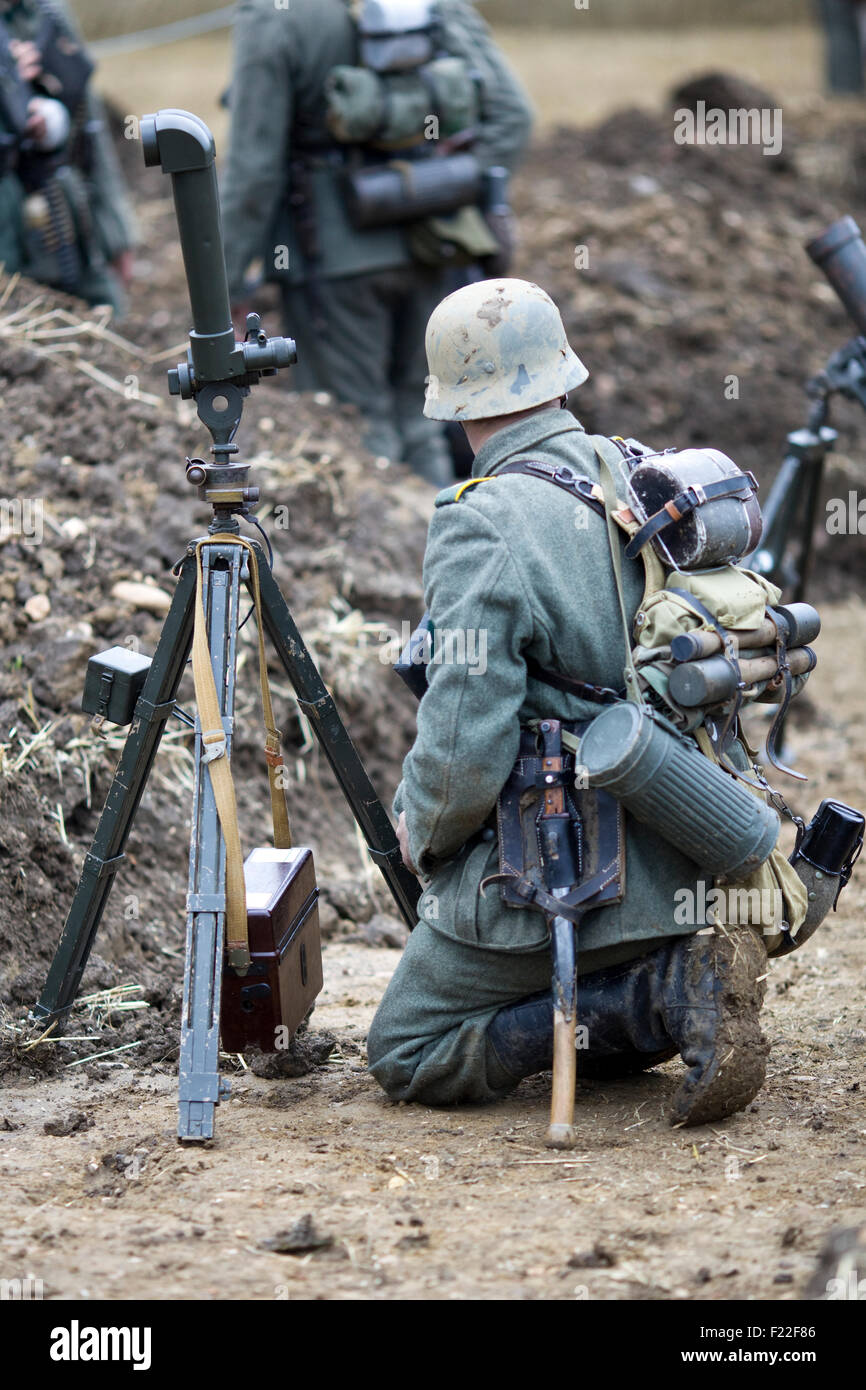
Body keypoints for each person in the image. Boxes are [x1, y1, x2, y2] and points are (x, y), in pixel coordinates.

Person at [366, 277, 781, 1128]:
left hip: (573, 875)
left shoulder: (479, 520)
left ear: (454, 403)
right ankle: (666, 979)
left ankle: (659, 997)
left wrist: (426, 832)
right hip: (695, 844)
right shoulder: (631, 468)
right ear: (562, 377)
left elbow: (463, 740)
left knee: (405, 1050)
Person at [220, 0, 533, 486]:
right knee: (422, 418)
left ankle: (383, 556)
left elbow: (254, 168)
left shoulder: (273, 13)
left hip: (330, 258)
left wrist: (228, 282)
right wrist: (445, 181)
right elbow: (512, 115)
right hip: (435, 243)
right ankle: (441, 552)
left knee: (355, 427)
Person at [0, 0, 134, 313]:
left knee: (110, 321)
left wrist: (116, 233)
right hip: (9, 258)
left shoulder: (45, 13)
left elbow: (89, 126)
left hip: (67, 227)